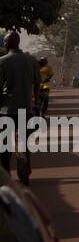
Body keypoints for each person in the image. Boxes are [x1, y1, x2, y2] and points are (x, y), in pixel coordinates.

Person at [0, 33, 41, 182]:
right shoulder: (31, 60)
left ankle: (5, 178)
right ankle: (24, 176)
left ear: (7, 44)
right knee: (23, 143)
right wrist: (36, 102)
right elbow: (37, 83)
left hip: (6, 111)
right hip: (26, 109)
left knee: (5, 146)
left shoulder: (2, 62)